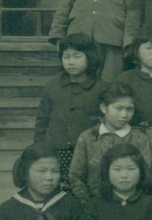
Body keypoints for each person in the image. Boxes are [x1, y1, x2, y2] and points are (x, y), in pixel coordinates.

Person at [68, 82, 152, 202]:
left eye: (129, 109)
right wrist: (87, 202)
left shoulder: (139, 139)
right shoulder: (88, 137)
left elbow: (145, 176)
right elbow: (75, 176)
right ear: (103, 108)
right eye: (118, 108)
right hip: (93, 203)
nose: (124, 115)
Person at [35, 34, 103, 182]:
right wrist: (40, 149)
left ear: (89, 57)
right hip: (57, 149)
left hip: (88, 151)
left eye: (77, 57)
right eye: (66, 57)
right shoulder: (52, 86)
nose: (71, 62)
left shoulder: (101, 88)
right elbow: (42, 120)